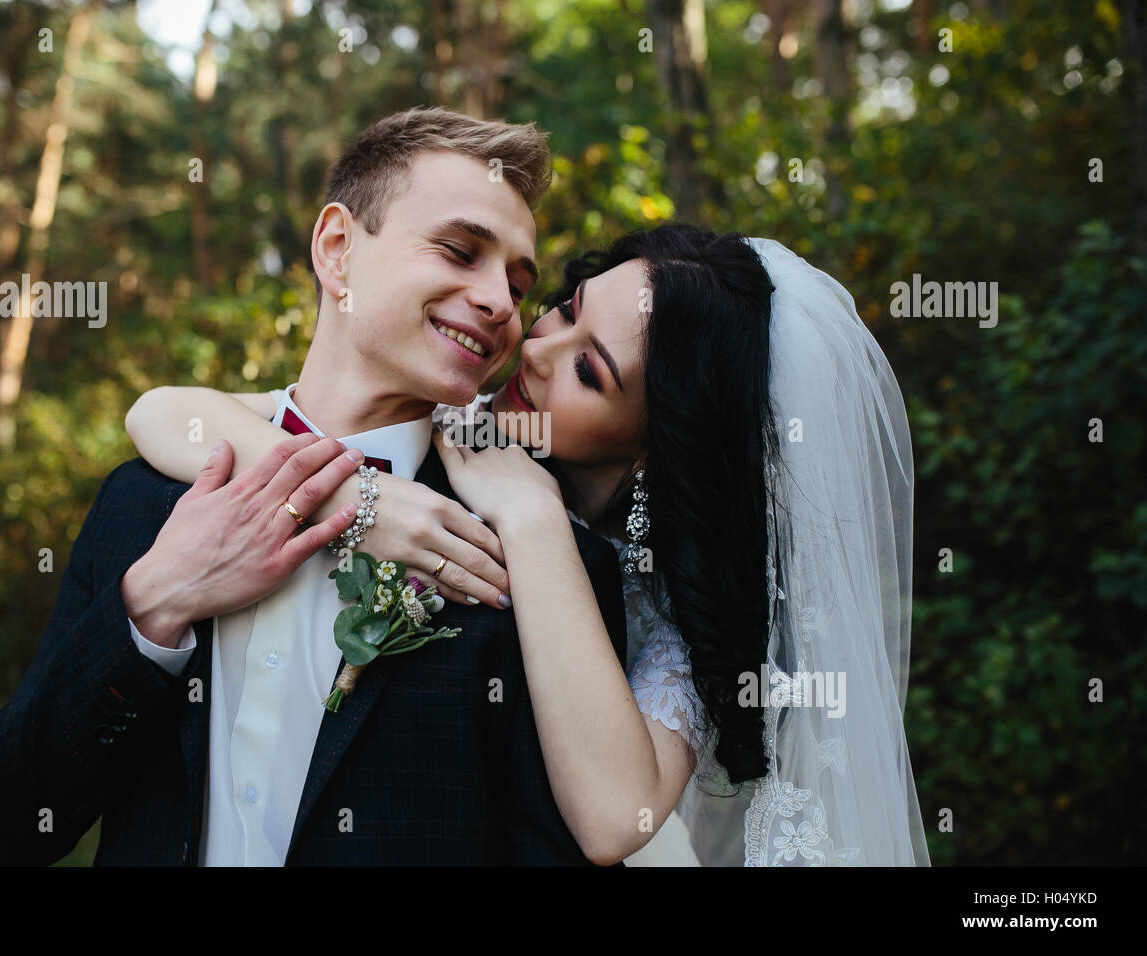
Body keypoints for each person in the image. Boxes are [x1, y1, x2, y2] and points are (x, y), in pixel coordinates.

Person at [128, 225, 932, 865]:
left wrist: (533, 517)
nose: (538, 351)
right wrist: (356, 498)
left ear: (660, 442)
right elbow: (163, 412)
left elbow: (618, 820)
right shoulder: (453, 413)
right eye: (568, 307)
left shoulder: (675, 601)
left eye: (589, 371)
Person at [0, 107, 632, 866]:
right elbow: (5, 826)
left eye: (517, 283)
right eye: (458, 250)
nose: (502, 304)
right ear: (338, 249)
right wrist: (154, 609)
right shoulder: (143, 500)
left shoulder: (531, 566)